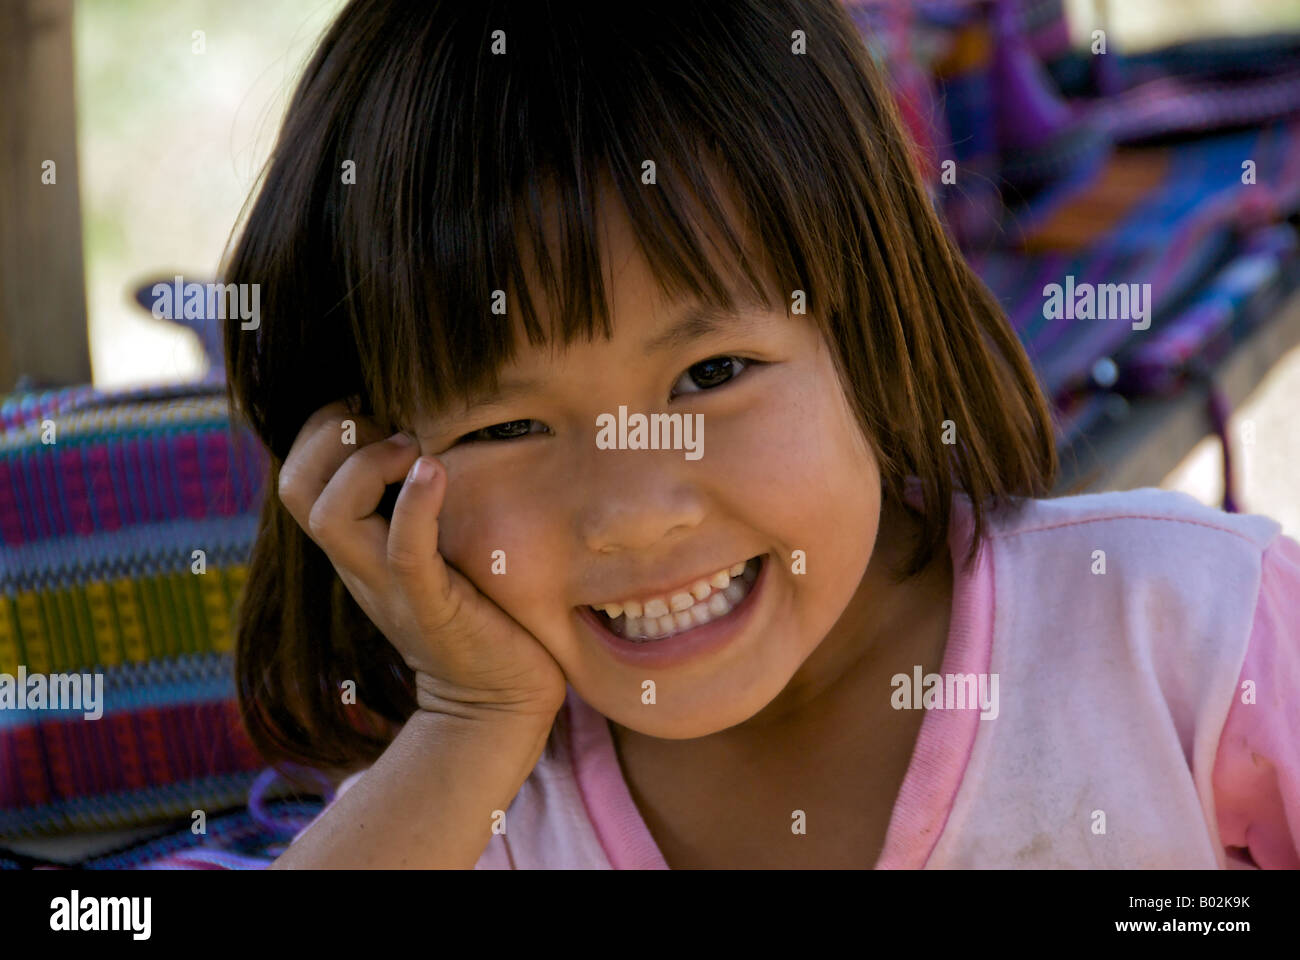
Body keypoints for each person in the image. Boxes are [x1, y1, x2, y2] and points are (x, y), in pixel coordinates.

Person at [221, 0, 1299, 869]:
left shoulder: (1183, 633)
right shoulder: (473, 815)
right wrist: (470, 719)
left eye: (710, 375)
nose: (637, 515)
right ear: (373, 472)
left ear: (867, 335)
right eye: (507, 426)